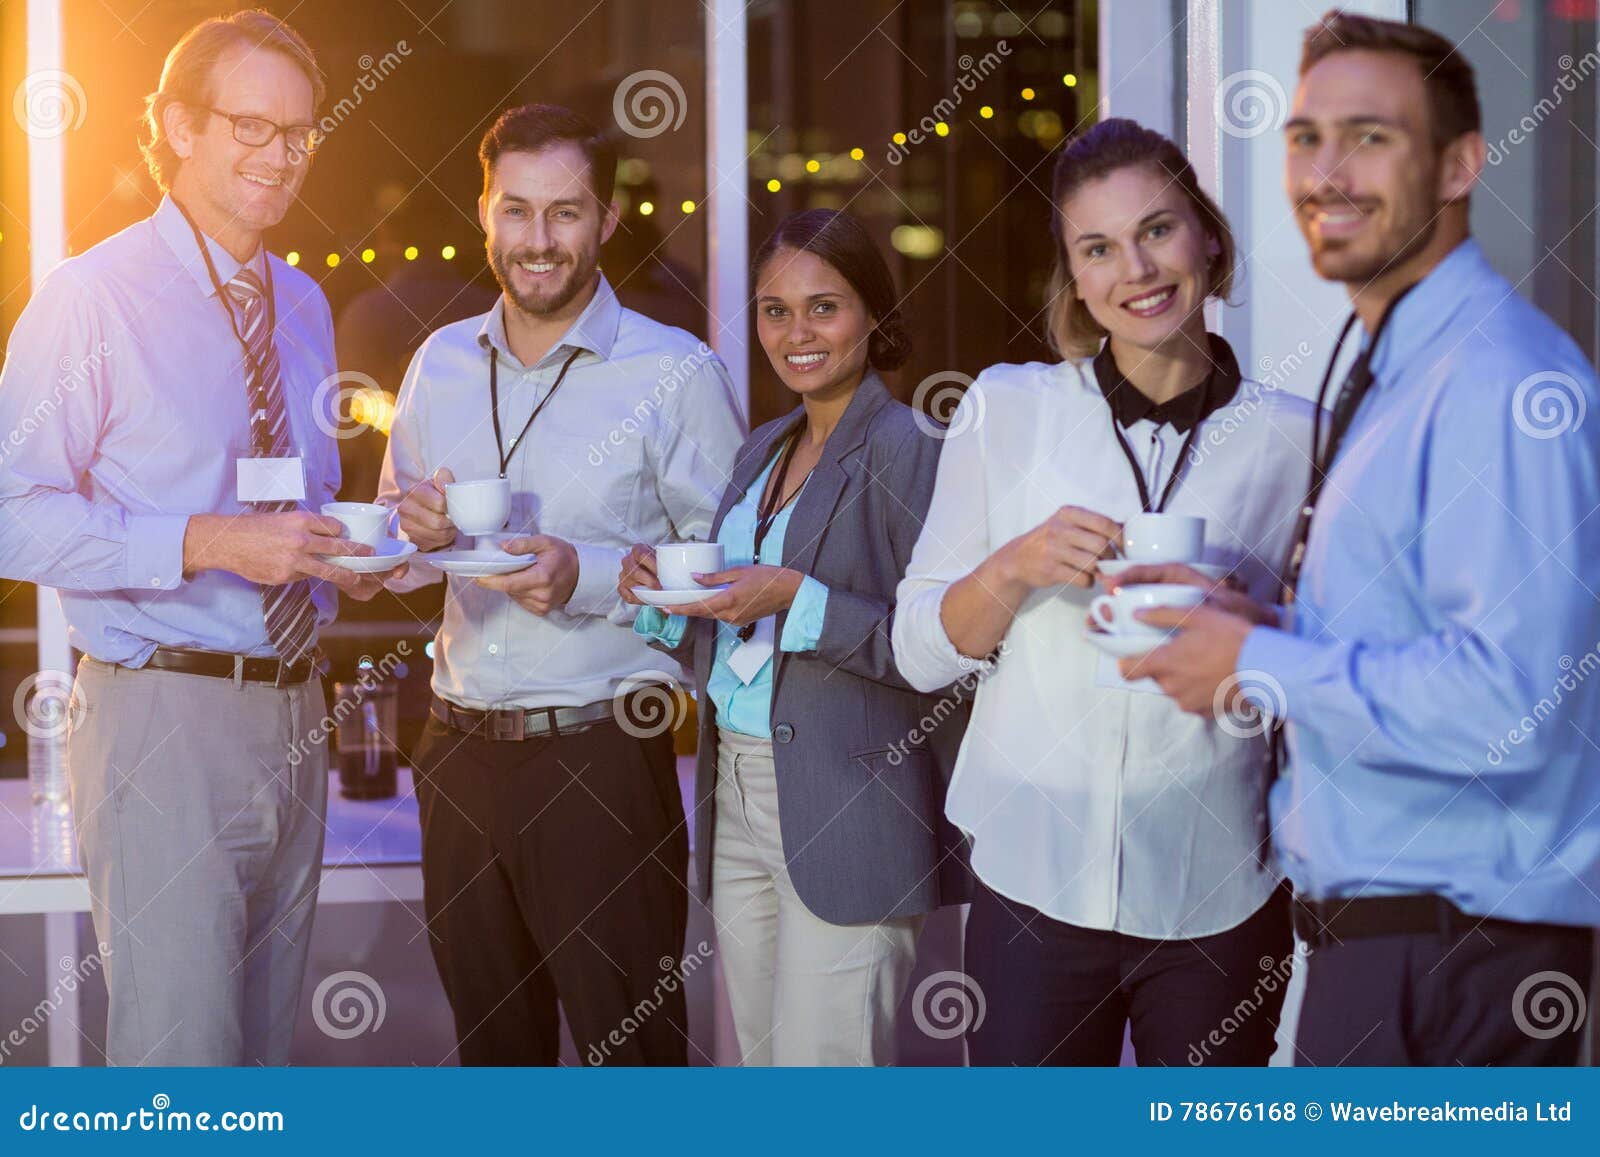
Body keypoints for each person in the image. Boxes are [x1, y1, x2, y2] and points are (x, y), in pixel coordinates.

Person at [1122, 11, 1600, 1066]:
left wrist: (1256, 658)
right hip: (1394, 957)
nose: (1326, 171)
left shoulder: (1500, 382)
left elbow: (1514, 704)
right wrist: (1268, 621)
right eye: (1305, 136)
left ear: (1459, 165)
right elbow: (1421, 632)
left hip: (1458, 965)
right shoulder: (1401, 366)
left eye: (1370, 136)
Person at [0, 11, 394, 1065]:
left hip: (295, 711)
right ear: (176, 126)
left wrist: (350, 557)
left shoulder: (302, 303)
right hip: (163, 716)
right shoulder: (91, 297)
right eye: (250, 125)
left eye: (300, 131)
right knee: (181, 1063)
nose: (280, 153)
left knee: (263, 1060)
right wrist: (206, 541)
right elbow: (11, 512)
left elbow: (287, 512)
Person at [892, 119, 1316, 1066]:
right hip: (1031, 881)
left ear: (1208, 236)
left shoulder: (1298, 439)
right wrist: (1015, 564)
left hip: (1220, 893)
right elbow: (918, 649)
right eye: (1099, 248)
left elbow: (1328, 666)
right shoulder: (1009, 408)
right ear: (1076, 278)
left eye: (1158, 230)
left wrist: (1257, 629)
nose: (1137, 268)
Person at [376, 103, 744, 1066]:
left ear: (607, 219)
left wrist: (588, 577)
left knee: (635, 1067)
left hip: (601, 763)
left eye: (566, 213)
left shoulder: (676, 372)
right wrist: (408, 534)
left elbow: (727, 574)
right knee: (495, 1059)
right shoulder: (438, 360)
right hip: (454, 755)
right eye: (517, 211)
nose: (538, 242)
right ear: (484, 213)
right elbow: (396, 549)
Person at [619, 210, 970, 1066]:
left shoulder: (911, 447)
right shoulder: (763, 450)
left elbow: (943, 649)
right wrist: (664, 601)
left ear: (874, 315)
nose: (796, 333)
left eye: (825, 307)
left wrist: (797, 597)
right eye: (775, 311)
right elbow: (741, 644)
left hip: (851, 806)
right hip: (734, 786)